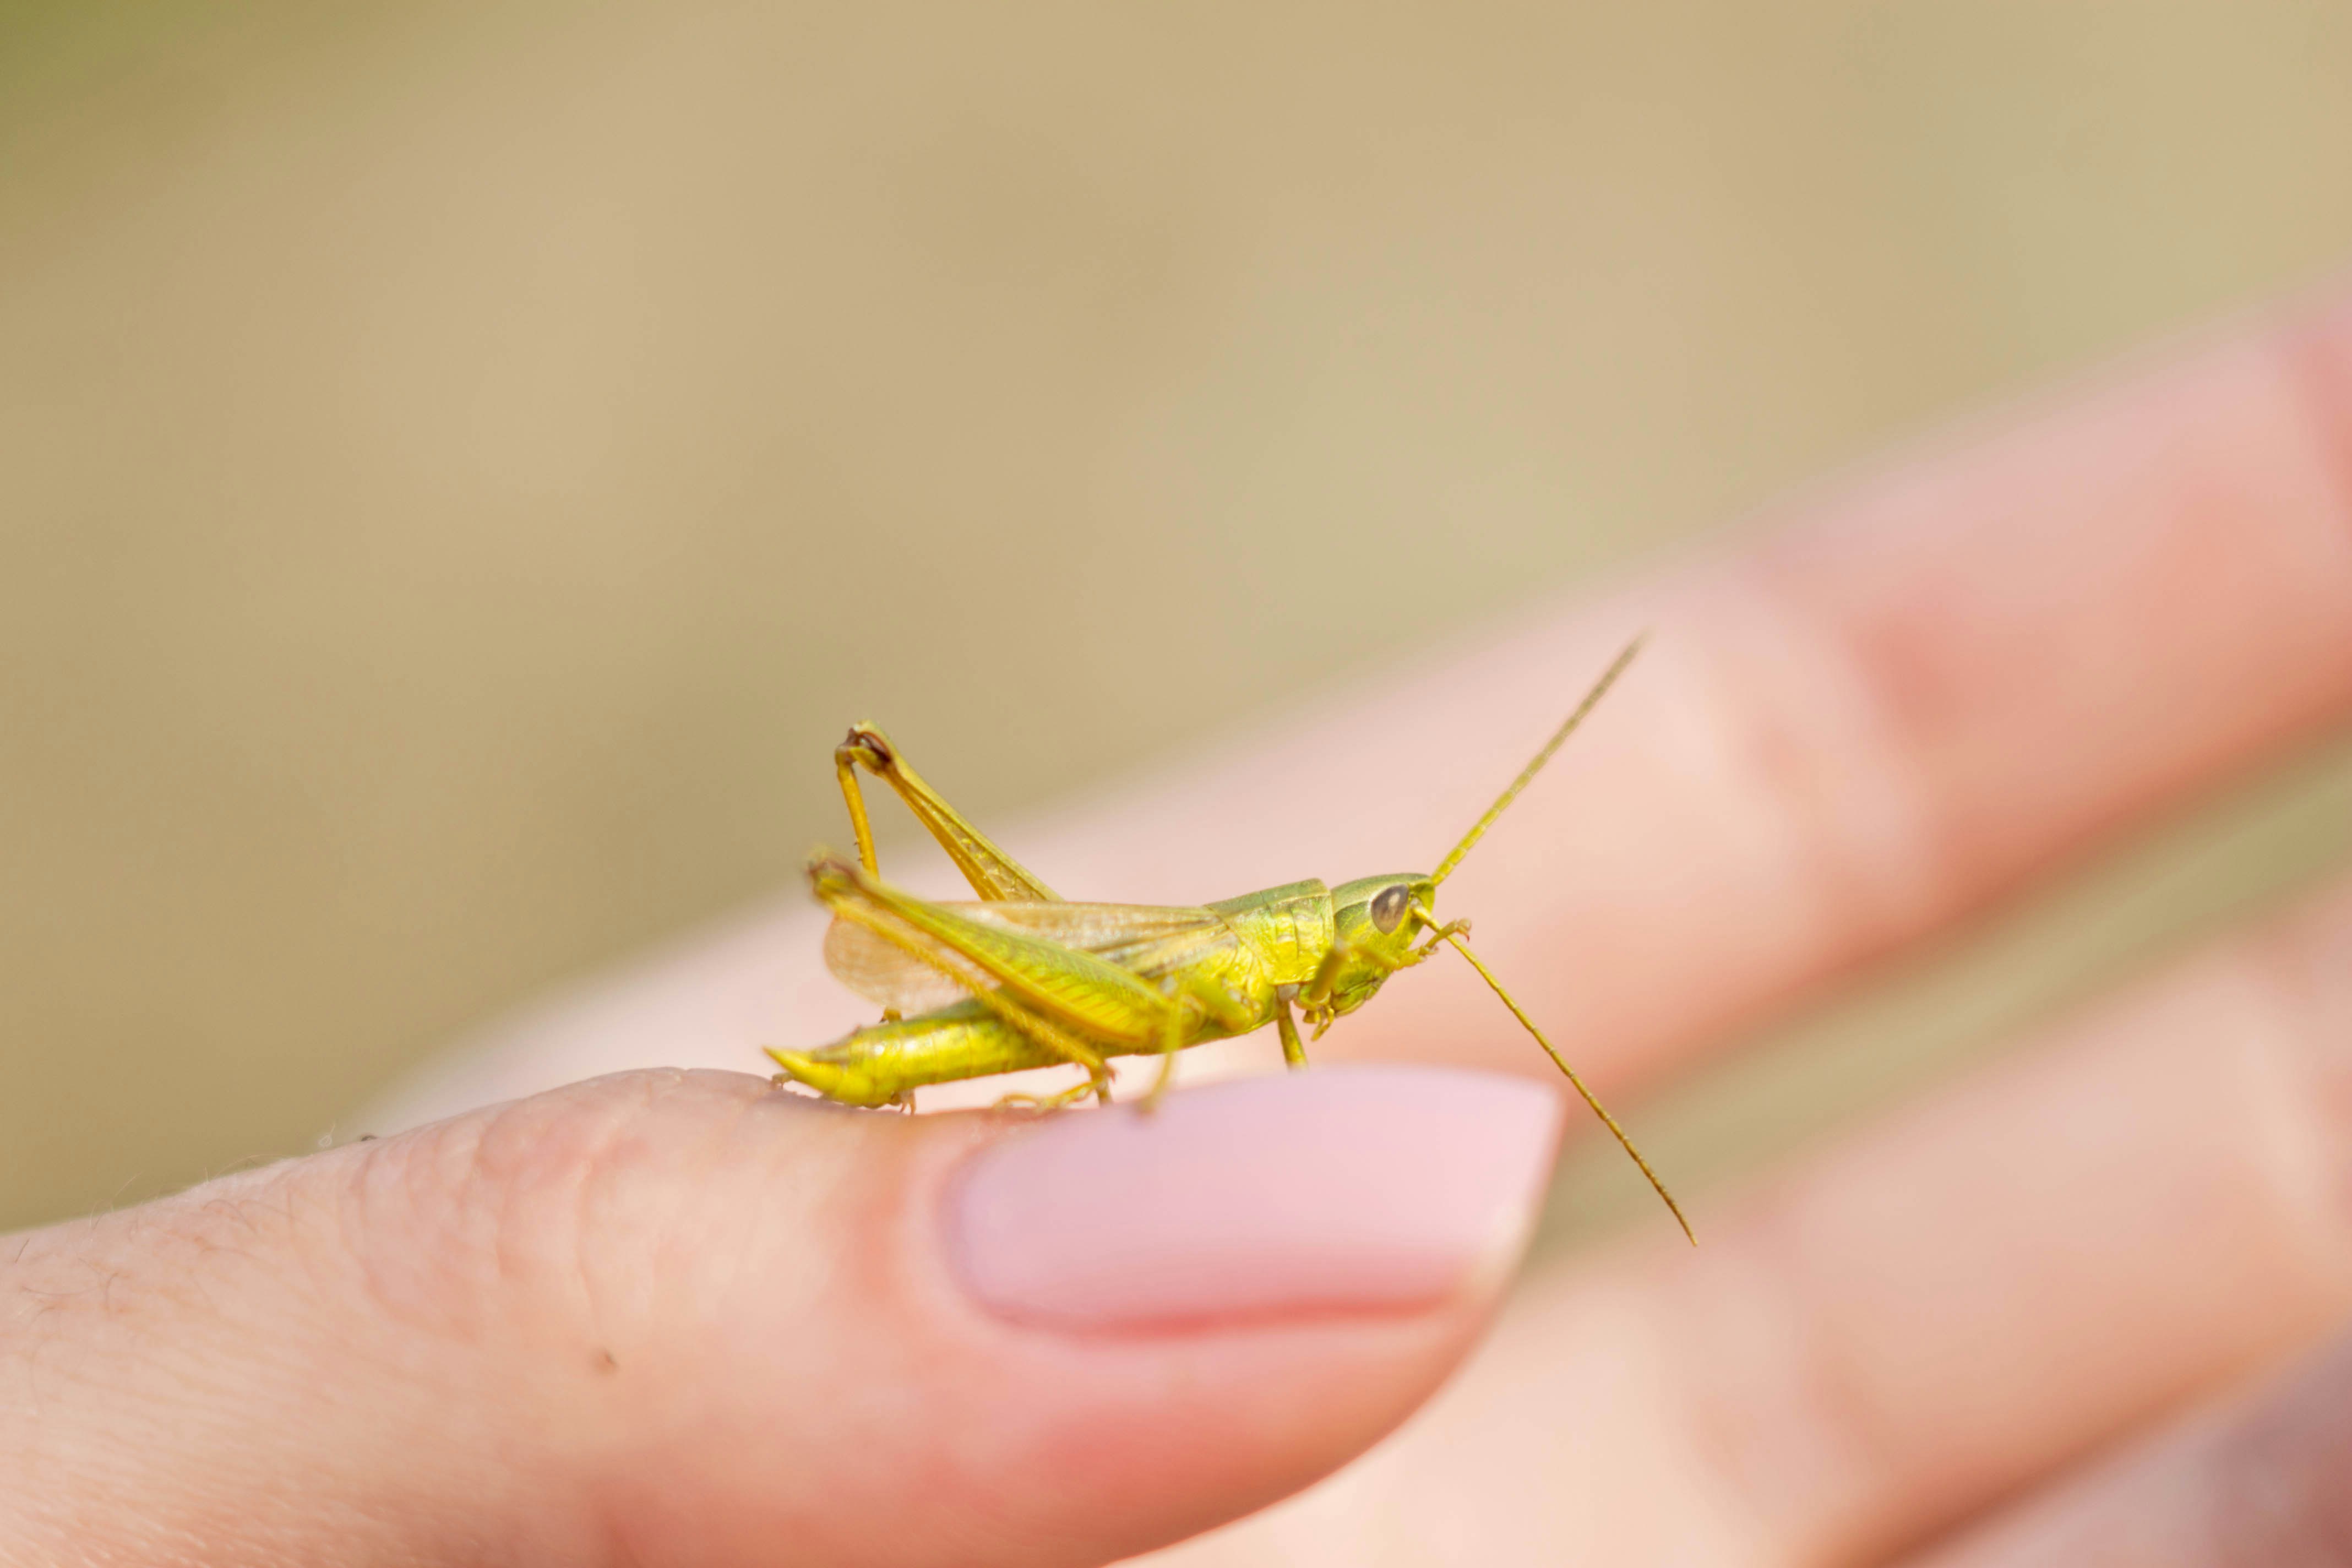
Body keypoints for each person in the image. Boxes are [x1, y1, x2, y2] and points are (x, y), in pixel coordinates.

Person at [6, 284, 2350, 1568]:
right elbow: (1190, 1000)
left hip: (1090, 1013)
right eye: (1385, 930)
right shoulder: (1262, 966)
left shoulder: (1329, 961)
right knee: (980, 901)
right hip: (1046, 1000)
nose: (1383, 952)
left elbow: (1291, 1001)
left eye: (1387, 939)